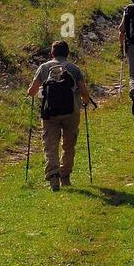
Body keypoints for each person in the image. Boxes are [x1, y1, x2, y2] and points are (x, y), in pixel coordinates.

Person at [27, 41, 92, 191]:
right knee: (69, 145)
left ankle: (53, 175)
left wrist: (34, 93)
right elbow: (84, 91)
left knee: (50, 144)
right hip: (71, 112)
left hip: (49, 113)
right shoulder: (74, 69)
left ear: (52, 53)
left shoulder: (44, 68)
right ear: (67, 54)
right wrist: (85, 102)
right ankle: (65, 176)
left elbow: (32, 91)